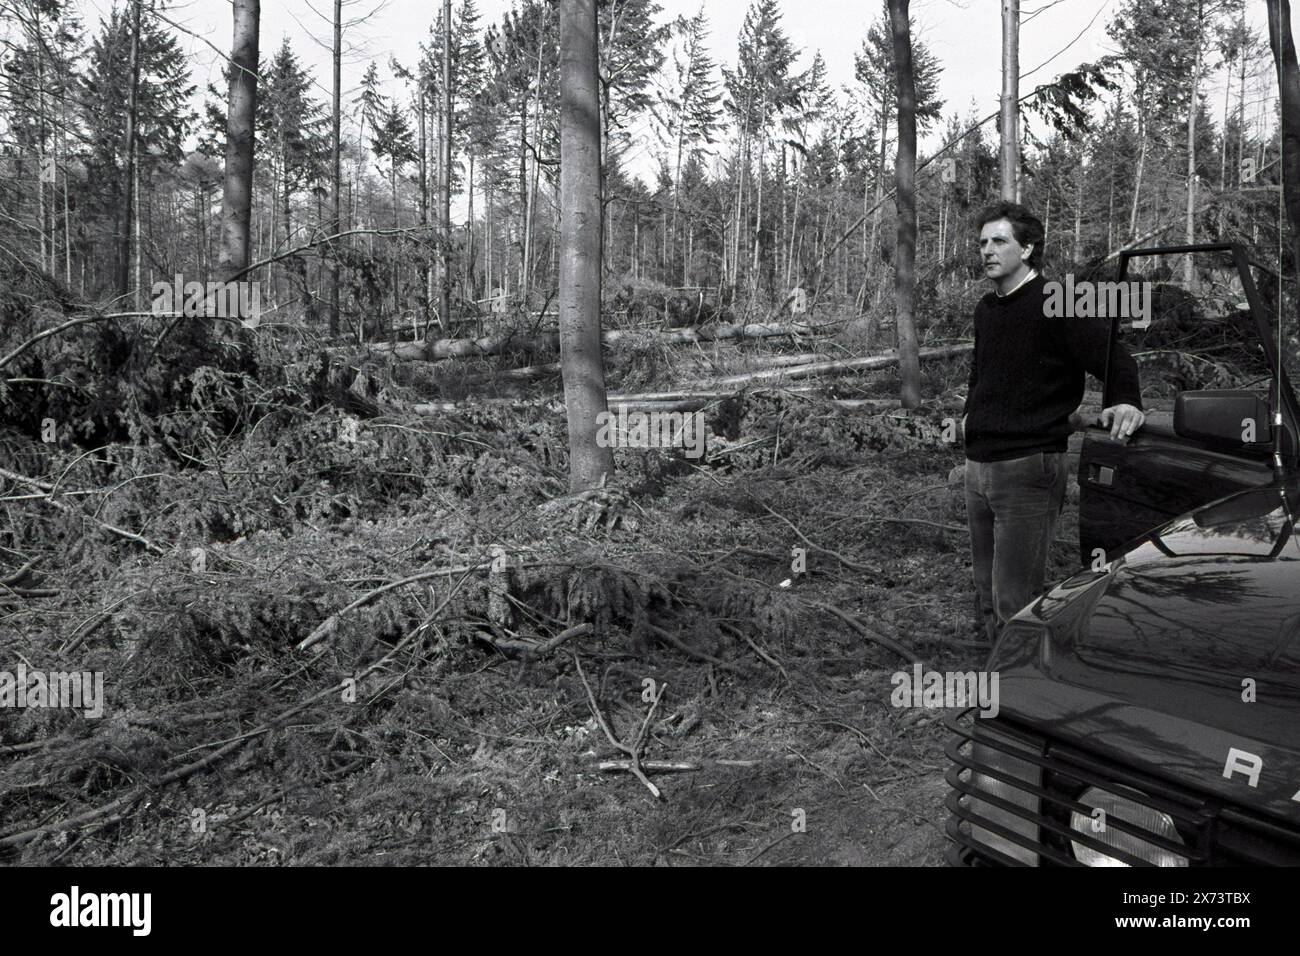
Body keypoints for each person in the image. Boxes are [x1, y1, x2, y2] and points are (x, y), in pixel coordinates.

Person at [961, 201, 1145, 644]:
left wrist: (1125, 402)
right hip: (978, 467)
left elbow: (1115, 360)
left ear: (1027, 249)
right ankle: (995, 673)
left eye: (999, 241)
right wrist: (969, 416)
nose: (987, 250)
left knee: (1016, 599)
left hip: (1028, 467)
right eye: (983, 241)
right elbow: (980, 373)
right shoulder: (988, 308)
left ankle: (1022, 695)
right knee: (985, 590)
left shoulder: (1057, 303)